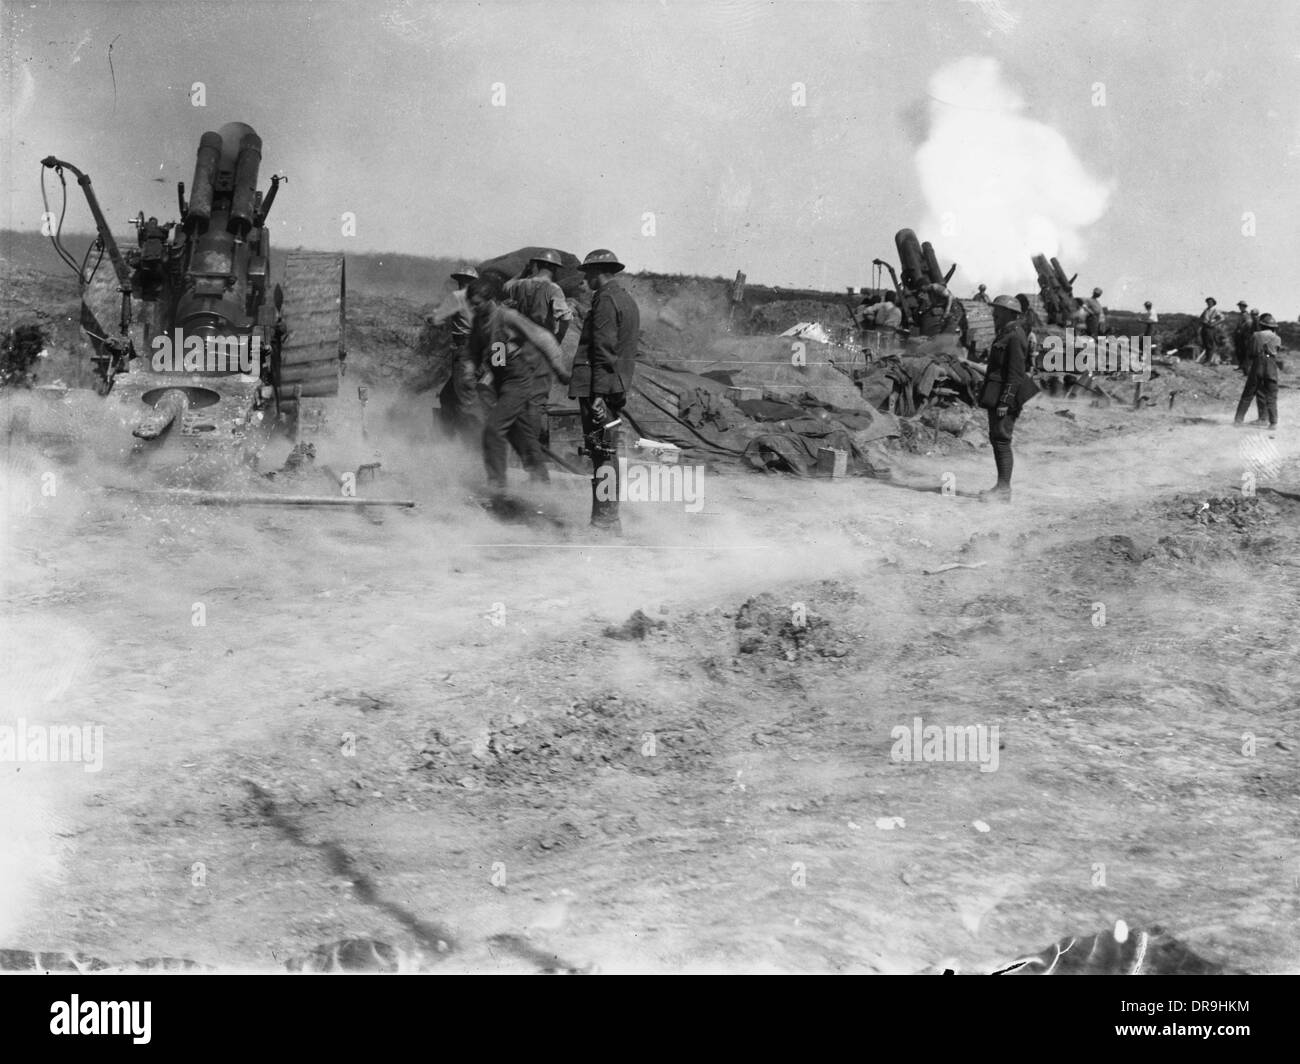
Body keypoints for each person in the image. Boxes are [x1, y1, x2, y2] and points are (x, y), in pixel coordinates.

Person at [465, 272, 571, 491]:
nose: (473, 309)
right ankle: (541, 481)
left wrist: (558, 367)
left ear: (490, 300)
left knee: (493, 430)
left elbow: (542, 337)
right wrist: (470, 371)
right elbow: (473, 351)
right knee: (520, 434)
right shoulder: (479, 321)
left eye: (477, 304)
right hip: (500, 380)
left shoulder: (507, 316)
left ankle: (497, 488)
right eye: (471, 305)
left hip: (517, 379)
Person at [569, 248, 640, 532]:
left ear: (598, 273)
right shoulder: (624, 299)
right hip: (614, 385)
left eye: (587, 274)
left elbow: (603, 351)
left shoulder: (606, 301)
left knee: (602, 452)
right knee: (605, 451)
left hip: (601, 388)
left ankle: (606, 521)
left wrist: (598, 394)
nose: (585, 280)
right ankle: (607, 518)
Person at [978, 295, 1035, 503]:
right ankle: (1001, 487)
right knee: (997, 439)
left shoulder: (1015, 335)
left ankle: (1003, 490)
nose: (994, 314)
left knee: (1002, 440)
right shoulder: (1007, 332)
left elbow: (1015, 373)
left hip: (1005, 397)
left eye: (998, 310)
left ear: (1010, 314)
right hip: (998, 394)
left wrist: (1005, 401)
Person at [426, 266, 483, 442]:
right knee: (447, 396)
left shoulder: (457, 297)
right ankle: (447, 440)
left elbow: (436, 319)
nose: (460, 283)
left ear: (461, 280)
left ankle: (474, 447)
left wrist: (431, 318)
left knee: (466, 402)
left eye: (461, 280)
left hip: (464, 352)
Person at [503, 249, 573, 343]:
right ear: (554, 268)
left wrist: (524, 273)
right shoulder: (553, 289)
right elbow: (566, 317)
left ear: (538, 265)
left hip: (520, 338)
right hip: (541, 342)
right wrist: (560, 336)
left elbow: (506, 286)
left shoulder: (519, 284)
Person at [1234, 313, 1284, 430]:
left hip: (1258, 364)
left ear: (1261, 325)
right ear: (1273, 327)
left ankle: (1238, 420)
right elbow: (1276, 351)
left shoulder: (1256, 335)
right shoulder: (1277, 338)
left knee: (1248, 394)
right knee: (1271, 396)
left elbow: (1251, 352)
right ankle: (1273, 423)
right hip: (1271, 365)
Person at [1198, 297, 1224, 364]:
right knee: (1205, 344)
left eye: (1210, 302)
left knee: (1210, 344)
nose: (1208, 303)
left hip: (1210, 328)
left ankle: (1209, 361)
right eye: (1207, 302)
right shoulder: (1206, 310)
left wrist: (1214, 323)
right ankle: (1206, 359)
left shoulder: (1215, 310)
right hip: (1204, 327)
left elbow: (1222, 318)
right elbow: (1201, 318)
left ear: (1213, 303)